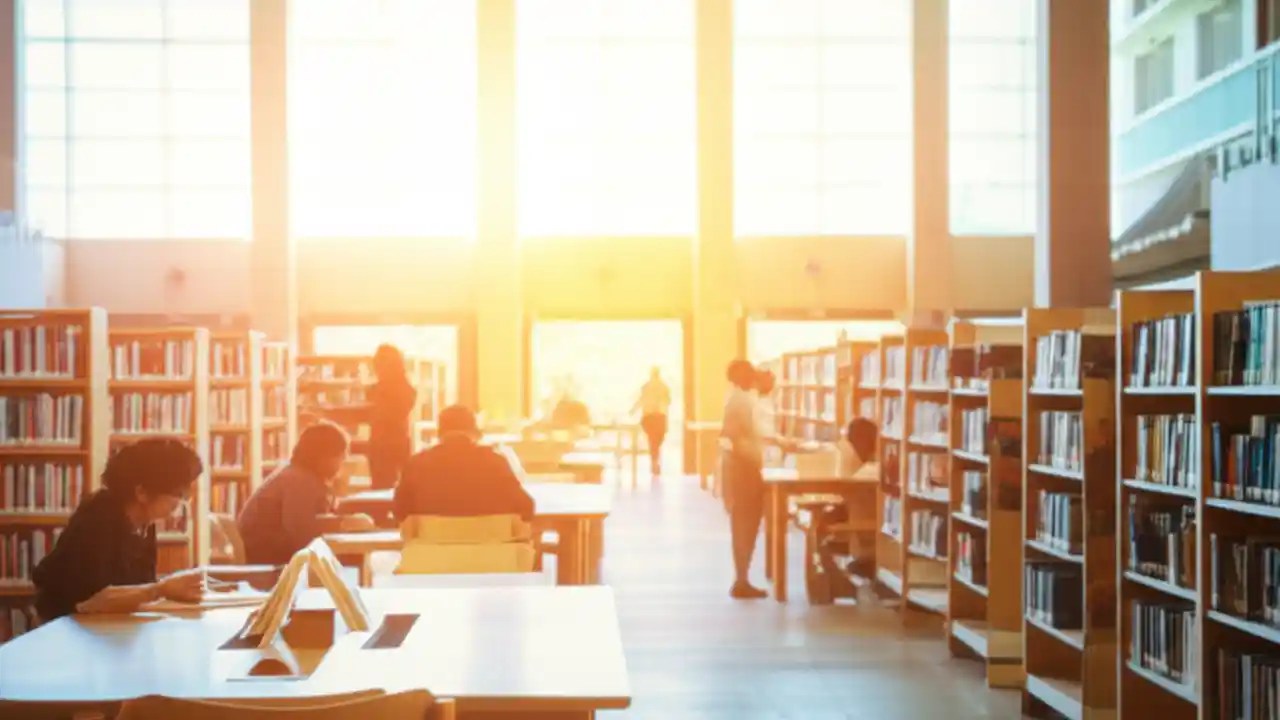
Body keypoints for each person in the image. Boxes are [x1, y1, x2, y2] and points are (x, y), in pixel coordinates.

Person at [32, 439, 207, 621]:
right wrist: (162, 589)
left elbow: (139, 587)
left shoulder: (145, 523)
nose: (182, 503)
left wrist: (172, 590)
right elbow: (98, 599)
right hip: (69, 628)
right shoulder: (98, 520)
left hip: (106, 626)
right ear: (142, 493)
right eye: (178, 494)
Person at [237, 421, 374, 565]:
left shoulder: (302, 476)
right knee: (348, 559)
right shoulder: (299, 480)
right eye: (340, 456)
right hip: (268, 557)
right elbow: (300, 529)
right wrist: (344, 523)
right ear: (324, 457)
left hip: (273, 552)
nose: (342, 462)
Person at [394, 405, 535, 523]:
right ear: (473, 432)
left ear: (439, 434)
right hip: (488, 553)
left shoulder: (417, 464)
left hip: (432, 552)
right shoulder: (494, 462)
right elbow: (526, 508)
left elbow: (400, 511)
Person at [721, 359, 767, 599]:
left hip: (744, 466)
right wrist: (756, 459)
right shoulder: (739, 400)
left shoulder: (739, 398)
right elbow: (735, 435)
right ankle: (741, 579)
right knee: (745, 523)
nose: (753, 377)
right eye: (749, 373)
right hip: (744, 469)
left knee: (746, 524)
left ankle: (743, 577)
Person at [367, 343, 418, 490]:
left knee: (391, 487)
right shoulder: (377, 389)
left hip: (393, 444)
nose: (377, 369)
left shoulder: (403, 390)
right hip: (381, 444)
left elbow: (389, 414)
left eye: (381, 364)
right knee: (381, 486)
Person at [633, 367, 672, 476]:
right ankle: (654, 462)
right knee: (654, 441)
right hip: (653, 417)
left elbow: (667, 401)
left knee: (655, 441)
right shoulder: (648, 387)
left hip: (657, 417)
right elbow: (642, 400)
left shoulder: (663, 387)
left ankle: (654, 461)